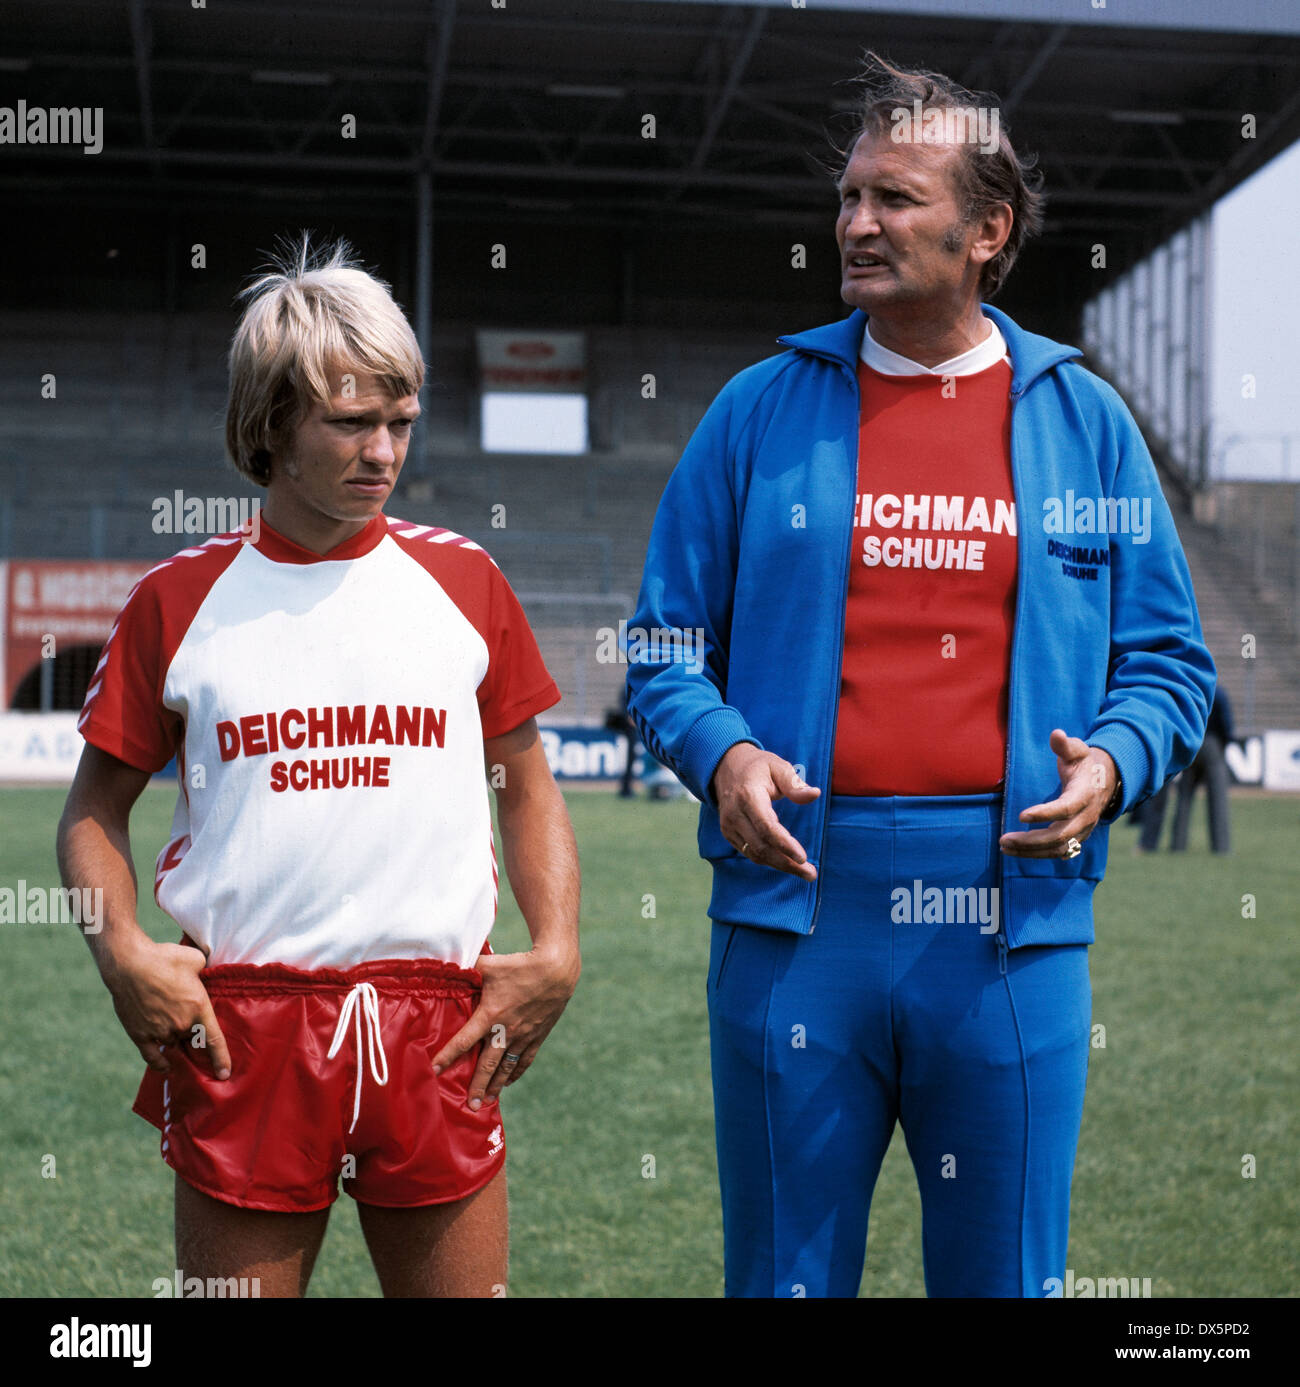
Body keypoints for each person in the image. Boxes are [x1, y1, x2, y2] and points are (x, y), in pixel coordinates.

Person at [625, 54, 1215, 1298]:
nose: (854, 223)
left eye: (893, 198)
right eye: (848, 197)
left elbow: (1167, 662)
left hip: (1012, 920)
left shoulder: (1087, 421)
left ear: (986, 229)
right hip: (797, 910)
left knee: (1005, 1282)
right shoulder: (756, 409)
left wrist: (1113, 760)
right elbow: (663, 645)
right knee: (780, 1285)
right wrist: (724, 753)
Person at [57, 237, 581, 1298]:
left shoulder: (463, 579)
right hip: (242, 1034)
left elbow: (524, 778)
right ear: (270, 425)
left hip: (436, 1026)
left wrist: (557, 948)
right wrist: (123, 954)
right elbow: (90, 811)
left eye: (398, 419)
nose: (383, 448)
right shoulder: (177, 599)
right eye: (349, 421)